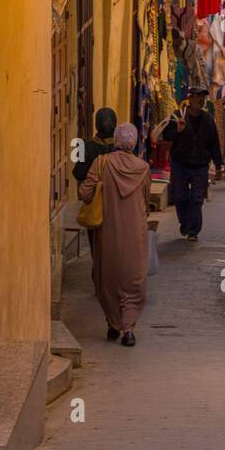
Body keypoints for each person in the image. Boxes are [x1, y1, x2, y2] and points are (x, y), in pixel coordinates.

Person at [78, 122, 151, 347]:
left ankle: (112, 322)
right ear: (134, 141)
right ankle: (127, 328)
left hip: (107, 231)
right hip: (134, 231)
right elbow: (146, 202)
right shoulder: (143, 168)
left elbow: (84, 192)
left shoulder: (101, 163)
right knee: (133, 278)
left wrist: (100, 186)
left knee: (107, 277)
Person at [162, 87, 222, 242]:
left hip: (200, 164)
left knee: (197, 198)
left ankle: (193, 230)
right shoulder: (177, 116)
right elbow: (166, 136)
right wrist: (178, 131)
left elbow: (214, 144)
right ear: (189, 99)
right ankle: (185, 223)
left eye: (202, 98)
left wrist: (218, 164)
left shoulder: (208, 120)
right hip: (180, 163)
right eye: (197, 97)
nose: (201, 101)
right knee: (179, 197)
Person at [73, 107, 117, 258]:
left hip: (94, 203)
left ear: (96, 124)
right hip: (116, 203)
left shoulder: (86, 146)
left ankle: (98, 272)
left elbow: (77, 173)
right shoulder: (122, 147)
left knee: (96, 244)